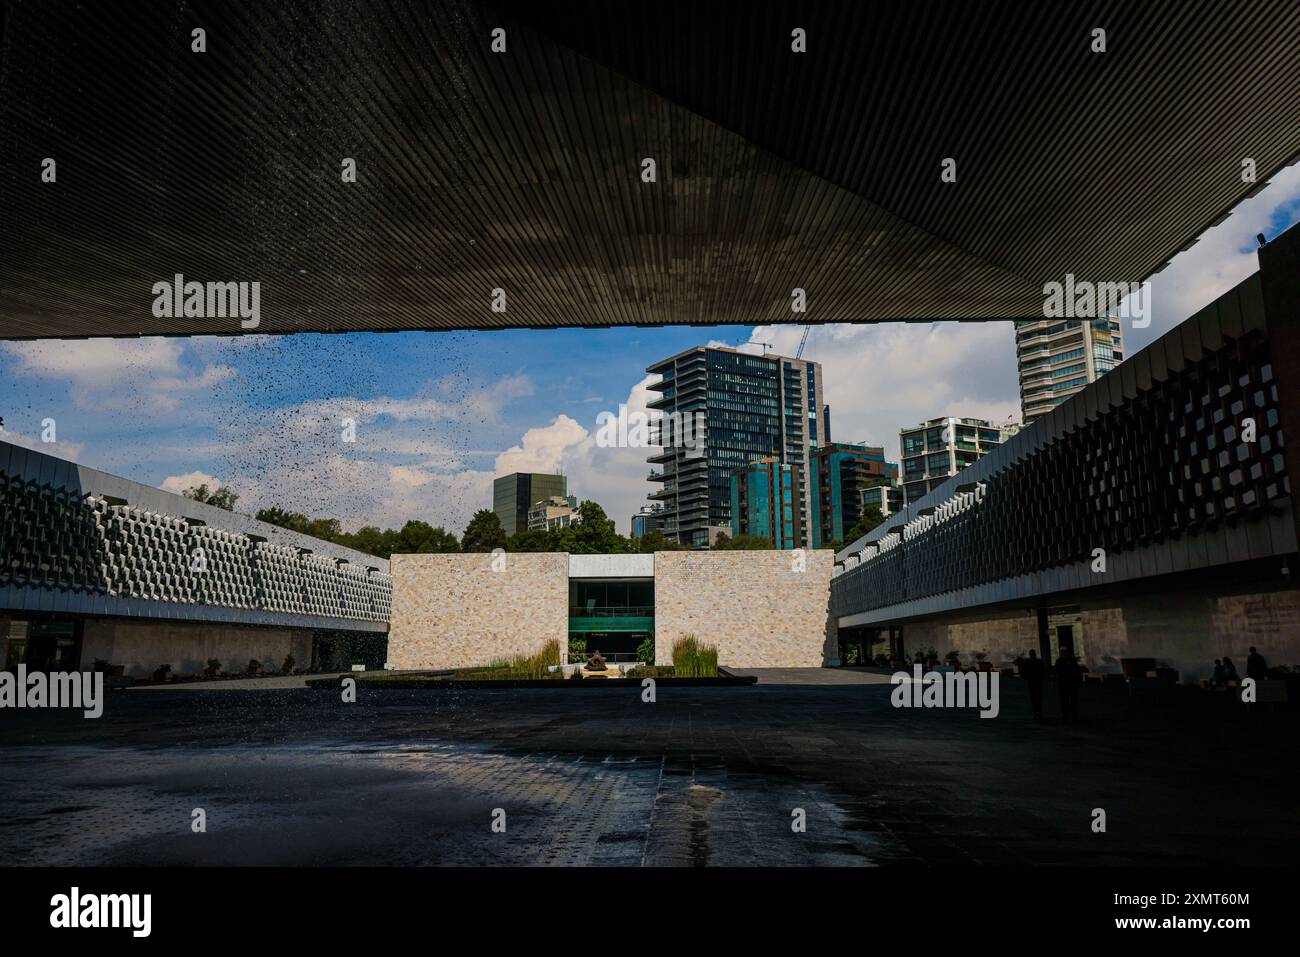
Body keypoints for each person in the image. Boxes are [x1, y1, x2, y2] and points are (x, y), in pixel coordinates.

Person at [1055, 647, 1082, 720]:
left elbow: (1076, 671)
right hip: (1063, 684)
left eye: (1063, 652)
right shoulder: (1059, 661)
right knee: (1064, 700)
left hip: (1071, 683)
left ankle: (1074, 714)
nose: (1063, 654)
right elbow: (1056, 672)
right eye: (1062, 652)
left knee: (1073, 700)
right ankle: (1066, 714)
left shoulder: (1071, 661)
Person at [1020, 649, 1046, 719]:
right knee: (1038, 697)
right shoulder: (1039, 662)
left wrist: (1026, 677)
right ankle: (1038, 712)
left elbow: (1024, 672)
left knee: (1034, 698)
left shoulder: (1027, 662)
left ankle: (1036, 712)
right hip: (1037, 682)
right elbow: (1043, 672)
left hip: (1032, 682)